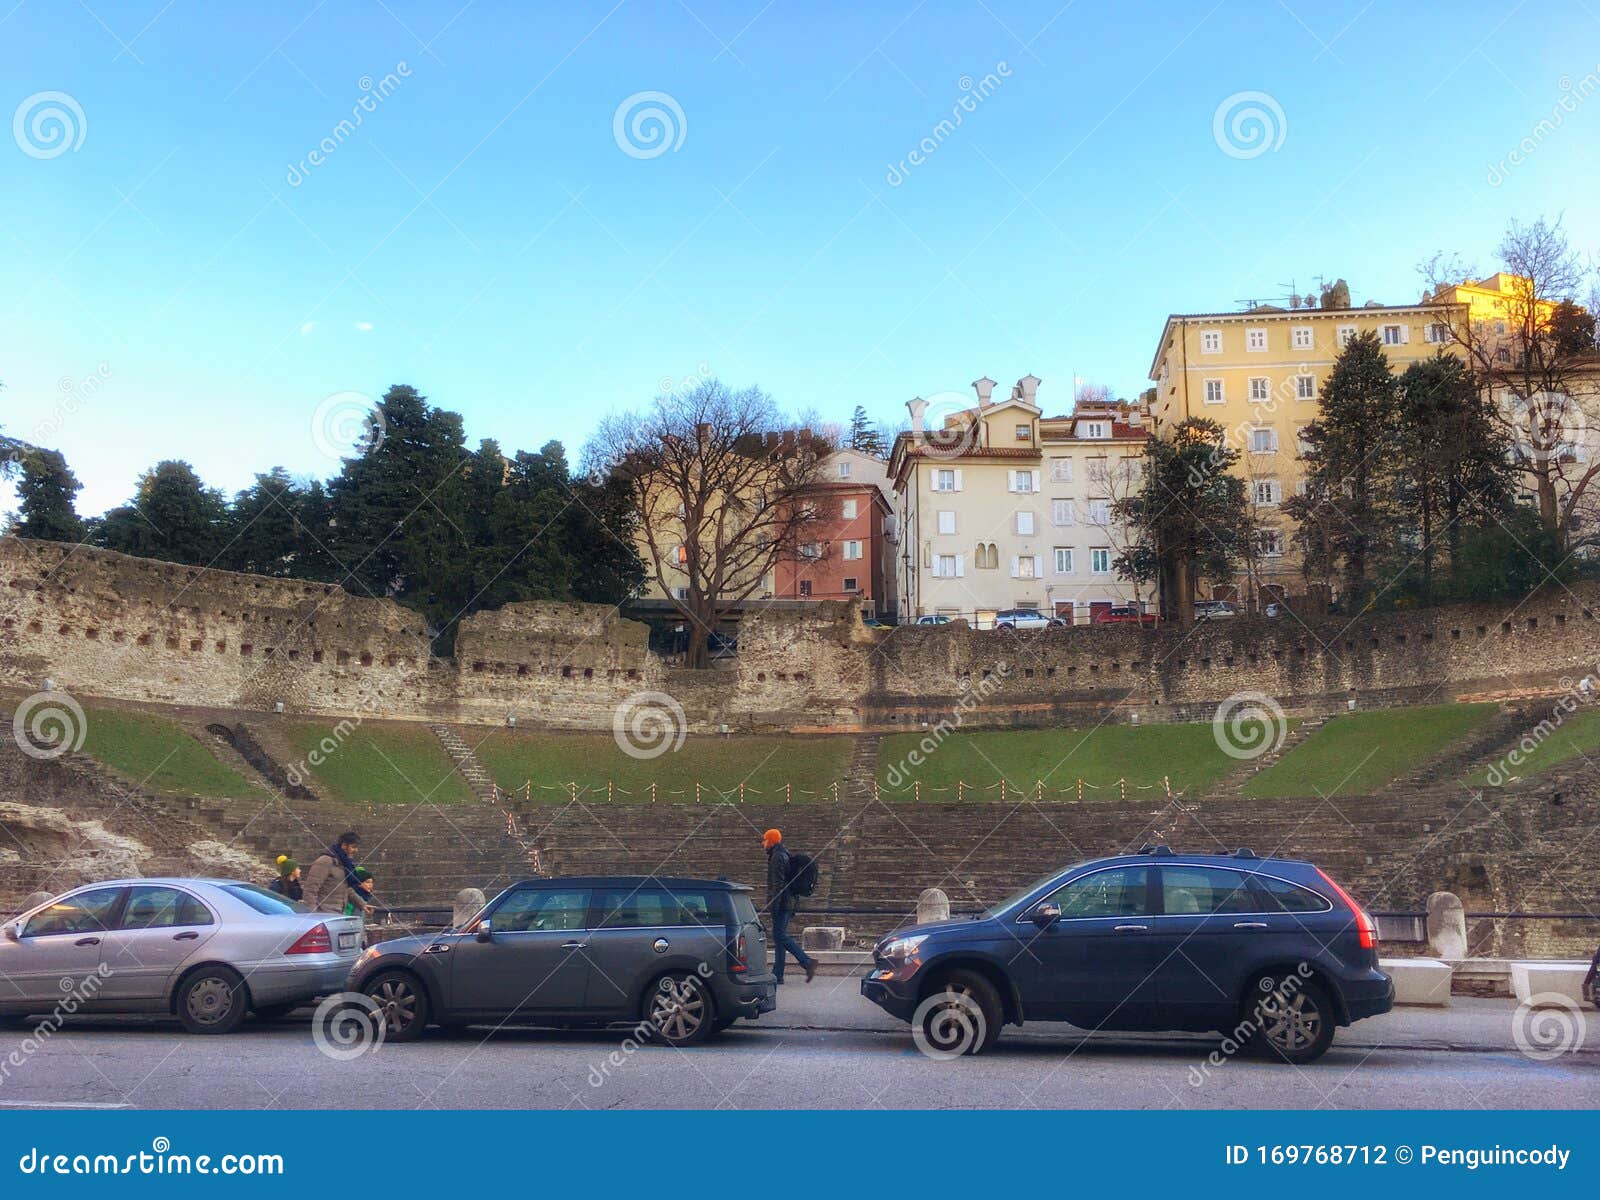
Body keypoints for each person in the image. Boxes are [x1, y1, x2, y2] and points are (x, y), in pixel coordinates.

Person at [762, 828, 816, 984]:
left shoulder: (777, 857)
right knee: (779, 937)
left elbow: (777, 884)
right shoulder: (781, 854)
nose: (763, 843)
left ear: (771, 841)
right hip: (787, 901)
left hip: (783, 902)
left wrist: (774, 905)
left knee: (779, 935)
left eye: (765, 840)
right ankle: (778, 974)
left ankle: (807, 962)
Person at [304, 832, 374, 916]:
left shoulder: (344, 863)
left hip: (338, 912)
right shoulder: (325, 861)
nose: (356, 850)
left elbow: (346, 888)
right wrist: (312, 914)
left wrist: (362, 904)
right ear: (344, 845)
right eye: (353, 847)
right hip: (323, 913)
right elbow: (310, 889)